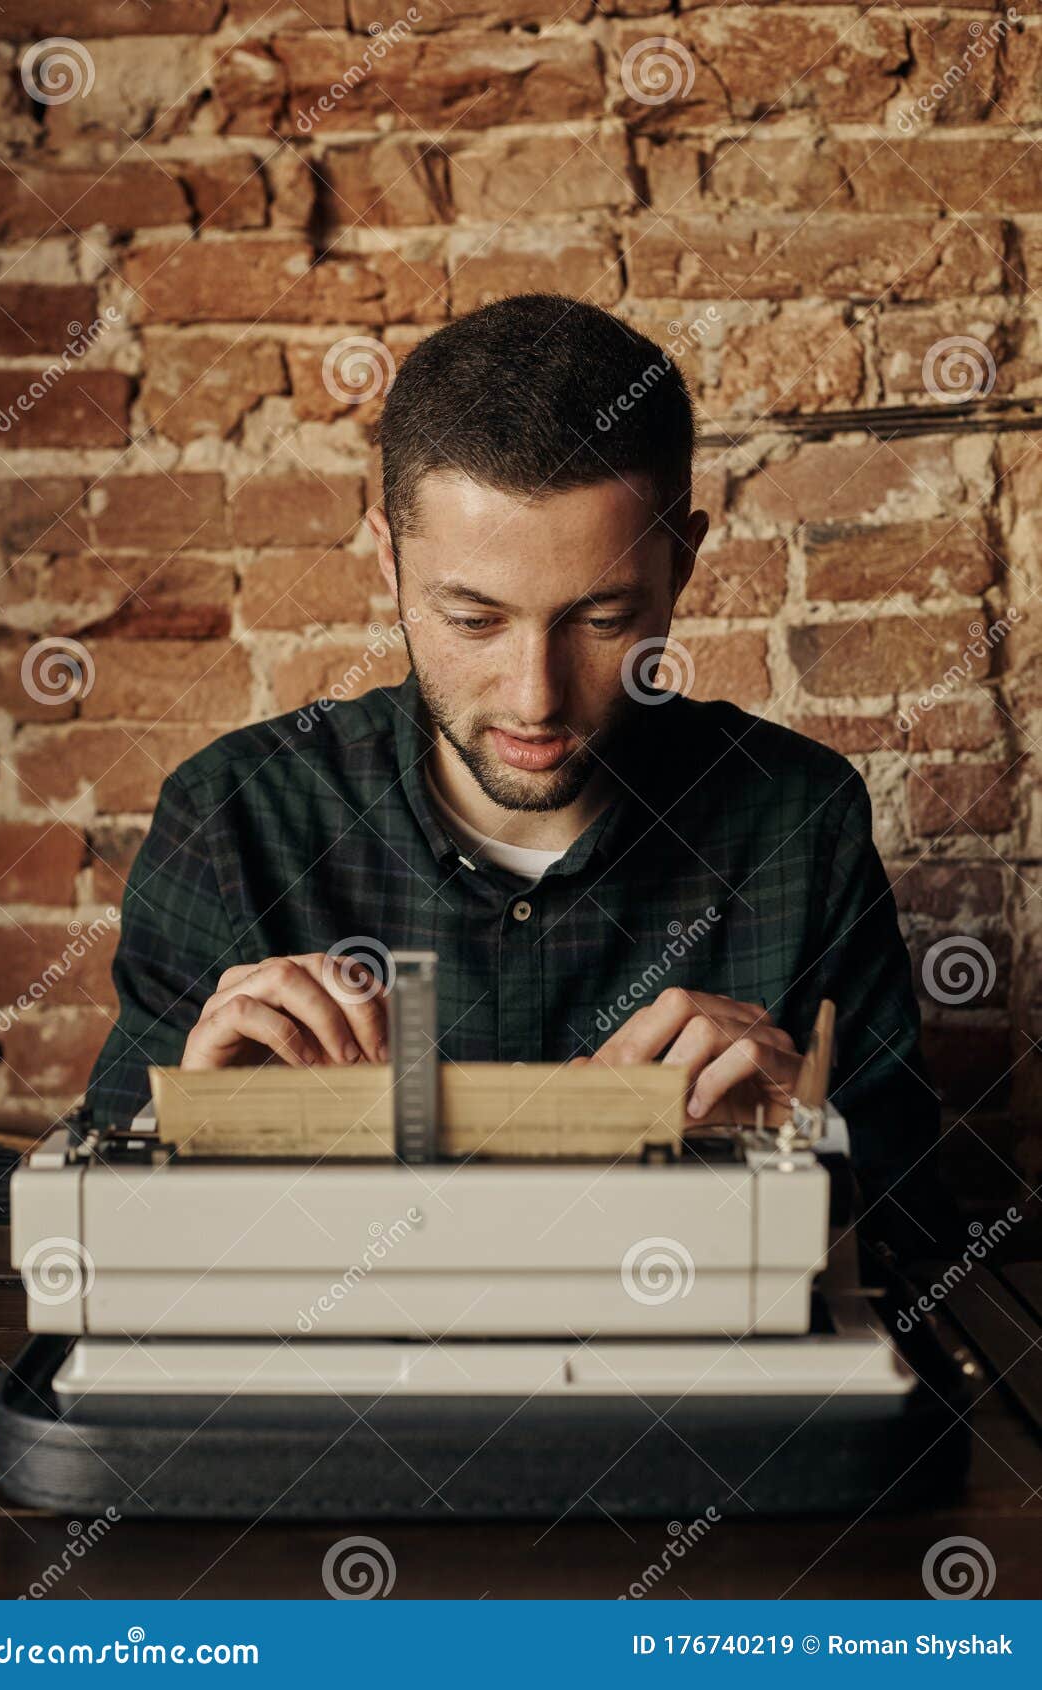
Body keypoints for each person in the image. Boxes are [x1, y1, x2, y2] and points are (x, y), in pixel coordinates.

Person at [86, 292, 959, 1259]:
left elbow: (921, 1241)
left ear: (684, 563)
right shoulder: (232, 819)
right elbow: (104, 1243)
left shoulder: (802, 818)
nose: (535, 698)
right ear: (388, 562)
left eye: (600, 620)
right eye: (473, 621)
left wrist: (810, 1141)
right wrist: (179, 1145)